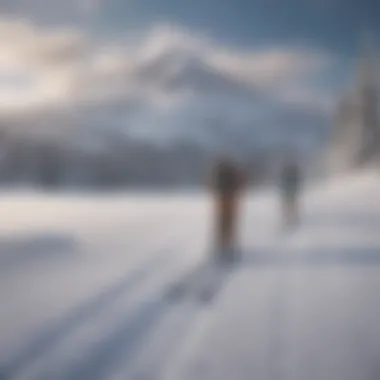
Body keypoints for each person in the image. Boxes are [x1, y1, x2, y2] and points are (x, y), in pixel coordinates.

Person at [210, 156, 246, 263]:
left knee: (221, 227)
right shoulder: (233, 174)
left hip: (221, 203)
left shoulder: (219, 174)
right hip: (231, 203)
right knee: (230, 227)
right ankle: (229, 248)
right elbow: (240, 185)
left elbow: (212, 186)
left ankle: (221, 248)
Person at [279, 157, 301, 230]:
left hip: (289, 193)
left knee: (290, 207)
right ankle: (290, 220)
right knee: (291, 207)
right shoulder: (292, 174)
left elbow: (283, 184)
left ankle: (290, 220)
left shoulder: (287, 174)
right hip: (290, 193)